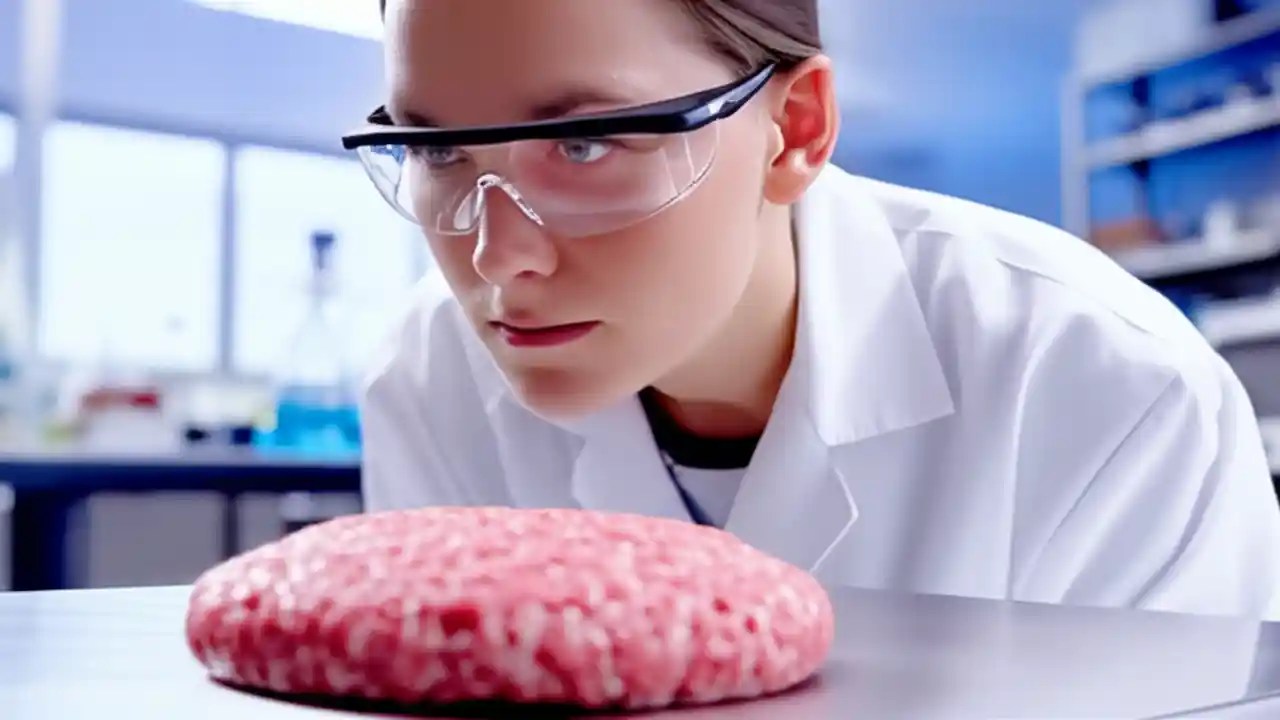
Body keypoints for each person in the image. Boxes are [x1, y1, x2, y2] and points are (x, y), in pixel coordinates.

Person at [346, 0, 1280, 619]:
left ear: (795, 130)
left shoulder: (1108, 391)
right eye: (439, 154)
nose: (497, 258)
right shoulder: (430, 379)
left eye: (585, 146)